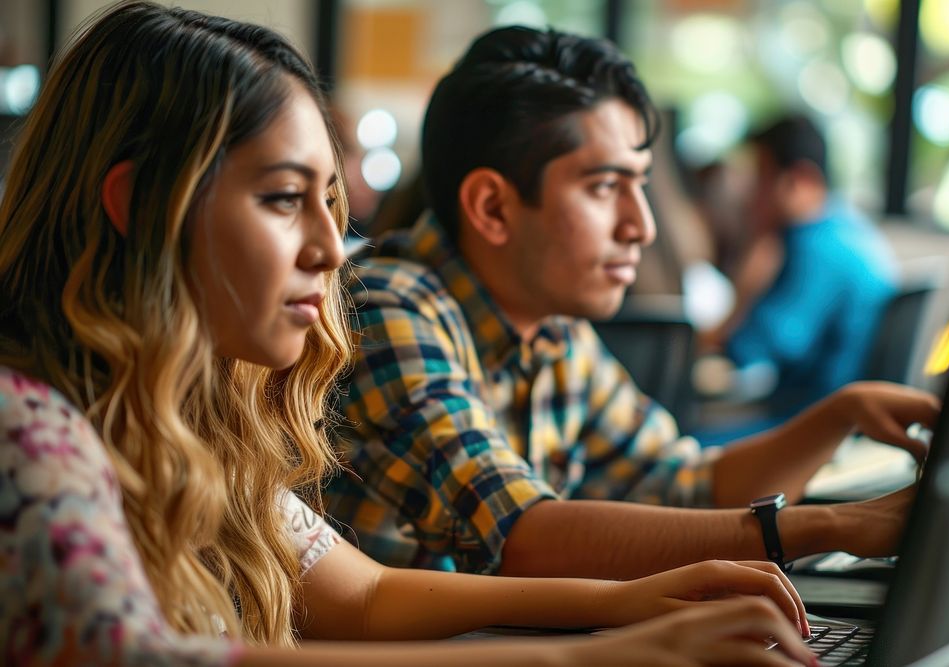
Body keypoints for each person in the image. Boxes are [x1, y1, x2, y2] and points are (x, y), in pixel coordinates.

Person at [0, 3, 822, 666]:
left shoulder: (199, 418)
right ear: (139, 204)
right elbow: (144, 657)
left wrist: (627, 603)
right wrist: (591, 653)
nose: (330, 250)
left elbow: (365, 593)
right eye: (286, 198)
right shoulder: (25, 422)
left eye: (332, 201)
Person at [325, 25, 940, 581]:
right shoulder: (383, 309)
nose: (641, 226)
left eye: (640, 185)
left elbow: (689, 488)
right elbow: (521, 536)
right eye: (604, 187)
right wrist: (827, 527)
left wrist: (840, 415)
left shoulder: (554, 331)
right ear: (492, 207)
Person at [699, 115, 899, 440]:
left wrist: (747, 279)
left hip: (817, 423)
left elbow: (751, 348)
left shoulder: (814, 246)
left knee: (684, 446)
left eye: (761, 179)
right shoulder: (848, 229)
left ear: (799, 179)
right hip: (833, 417)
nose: (751, 197)